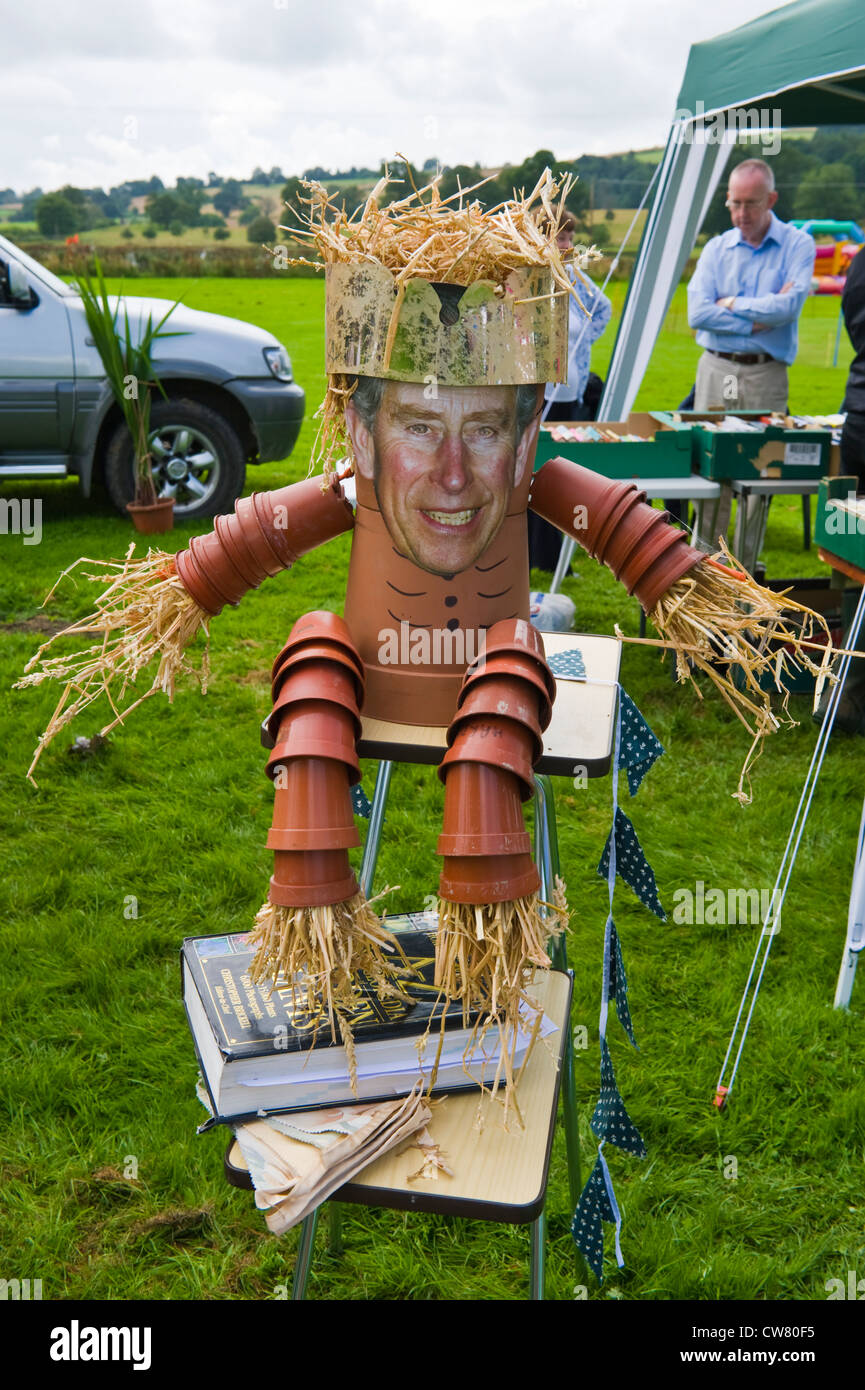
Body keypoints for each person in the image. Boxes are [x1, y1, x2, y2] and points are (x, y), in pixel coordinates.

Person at [687, 158, 815, 412]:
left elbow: (788, 308)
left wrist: (731, 303)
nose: (742, 214)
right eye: (736, 203)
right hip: (719, 369)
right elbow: (698, 314)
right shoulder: (716, 248)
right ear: (728, 198)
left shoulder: (798, 245)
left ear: (771, 200)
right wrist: (754, 323)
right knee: (712, 448)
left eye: (751, 204)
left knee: (764, 450)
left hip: (765, 373)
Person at [530, 211, 612, 569]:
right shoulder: (530, 279)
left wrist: (578, 345)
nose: (565, 246)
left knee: (560, 477)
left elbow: (602, 310)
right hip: (535, 394)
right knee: (531, 472)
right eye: (558, 238)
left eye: (568, 238)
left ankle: (550, 558)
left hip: (569, 396)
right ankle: (530, 553)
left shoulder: (577, 280)